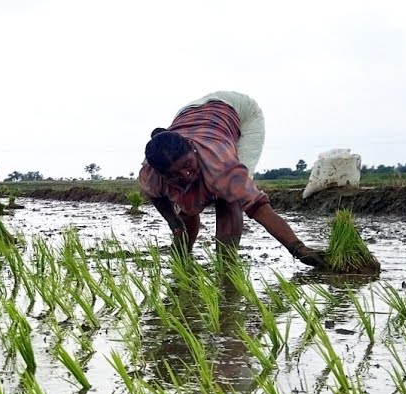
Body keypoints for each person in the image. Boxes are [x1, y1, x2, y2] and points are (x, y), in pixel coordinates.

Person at [139, 91, 328, 268]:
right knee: (187, 201)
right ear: (159, 173)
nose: (186, 175)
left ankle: (226, 263)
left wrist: (298, 249)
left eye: (188, 165)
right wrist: (175, 224)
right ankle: (183, 258)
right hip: (190, 116)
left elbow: (258, 207)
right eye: (174, 175)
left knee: (229, 198)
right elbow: (155, 196)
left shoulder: (222, 166)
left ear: (192, 148)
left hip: (239, 112)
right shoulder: (151, 174)